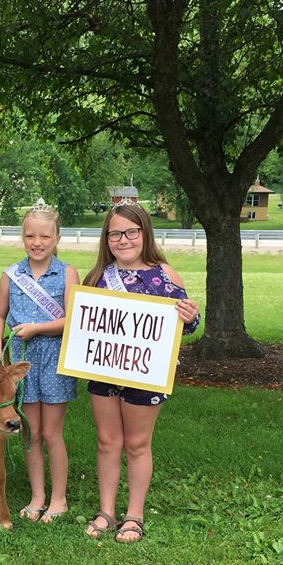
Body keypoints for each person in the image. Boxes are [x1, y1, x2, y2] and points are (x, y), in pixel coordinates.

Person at [82, 204, 200, 543]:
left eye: (131, 232)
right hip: (104, 371)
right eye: (115, 233)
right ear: (107, 238)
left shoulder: (164, 274)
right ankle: (106, 510)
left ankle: (134, 514)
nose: (123, 240)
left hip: (146, 373)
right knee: (107, 441)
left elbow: (188, 326)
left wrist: (190, 315)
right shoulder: (98, 277)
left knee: (136, 443)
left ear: (144, 233)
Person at [0, 201, 79, 523]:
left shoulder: (67, 272)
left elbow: (73, 319)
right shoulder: (11, 275)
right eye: (30, 236)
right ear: (22, 238)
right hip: (20, 362)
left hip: (53, 358)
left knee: (52, 433)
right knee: (30, 431)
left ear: (56, 238)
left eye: (44, 236)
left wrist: (37, 328)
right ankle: (37, 496)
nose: (37, 243)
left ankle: (59, 499)